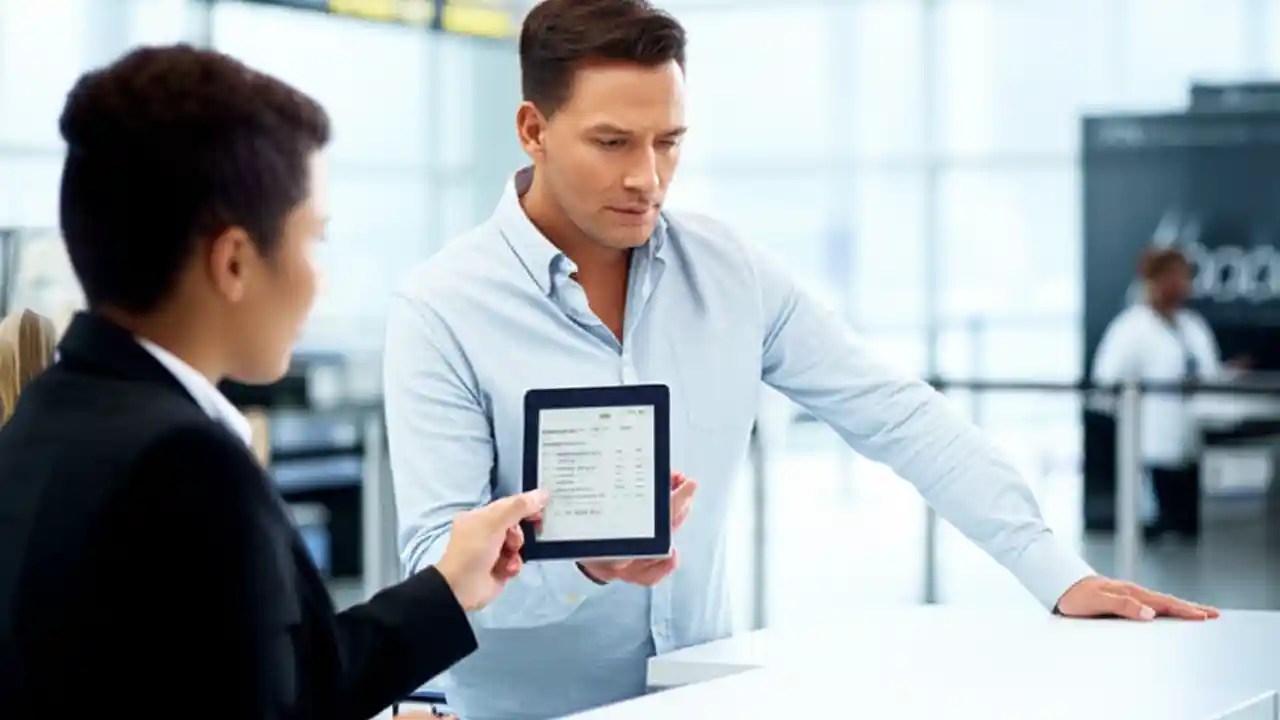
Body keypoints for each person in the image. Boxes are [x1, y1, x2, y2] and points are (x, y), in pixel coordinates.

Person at [383, 2, 1219, 717]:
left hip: (702, 701)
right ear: (533, 129)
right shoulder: (443, 309)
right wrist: (585, 569)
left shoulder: (730, 274)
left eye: (669, 141)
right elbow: (432, 570)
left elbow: (897, 414)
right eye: (612, 142)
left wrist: (1056, 573)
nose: (648, 178)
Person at [0, 45, 547, 719]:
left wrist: (448, 587)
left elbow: (262, 682)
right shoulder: (188, 466)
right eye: (313, 239)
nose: (319, 279)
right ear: (234, 262)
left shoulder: (44, 419)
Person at [1092, 246, 1247, 540]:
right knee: (1161, 531)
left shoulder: (1192, 326)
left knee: (1188, 534)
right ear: (1153, 280)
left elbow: (1207, 374)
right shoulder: (1131, 328)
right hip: (1150, 447)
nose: (1182, 284)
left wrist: (1229, 375)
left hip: (1189, 444)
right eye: (1174, 276)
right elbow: (1106, 384)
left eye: (1185, 276)